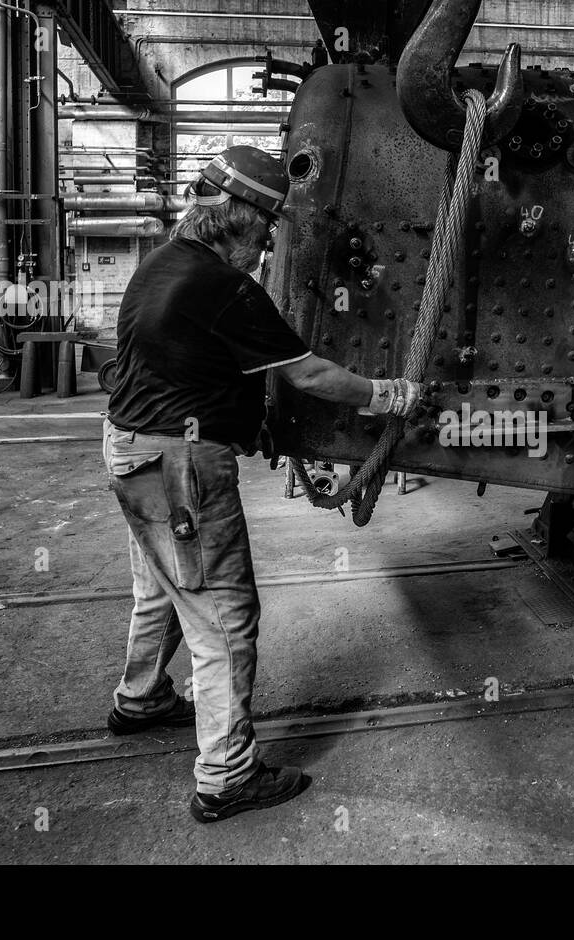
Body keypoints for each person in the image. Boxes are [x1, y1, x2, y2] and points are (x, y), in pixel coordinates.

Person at [103, 145, 421, 823]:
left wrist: (247, 422)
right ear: (239, 215)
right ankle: (225, 776)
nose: (272, 239)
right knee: (223, 619)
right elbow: (309, 374)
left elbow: (190, 362)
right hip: (180, 466)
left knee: (160, 587)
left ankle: (140, 695)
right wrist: (388, 393)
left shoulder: (160, 264)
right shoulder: (225, 285)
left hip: (128, 451)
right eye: (268, 224)